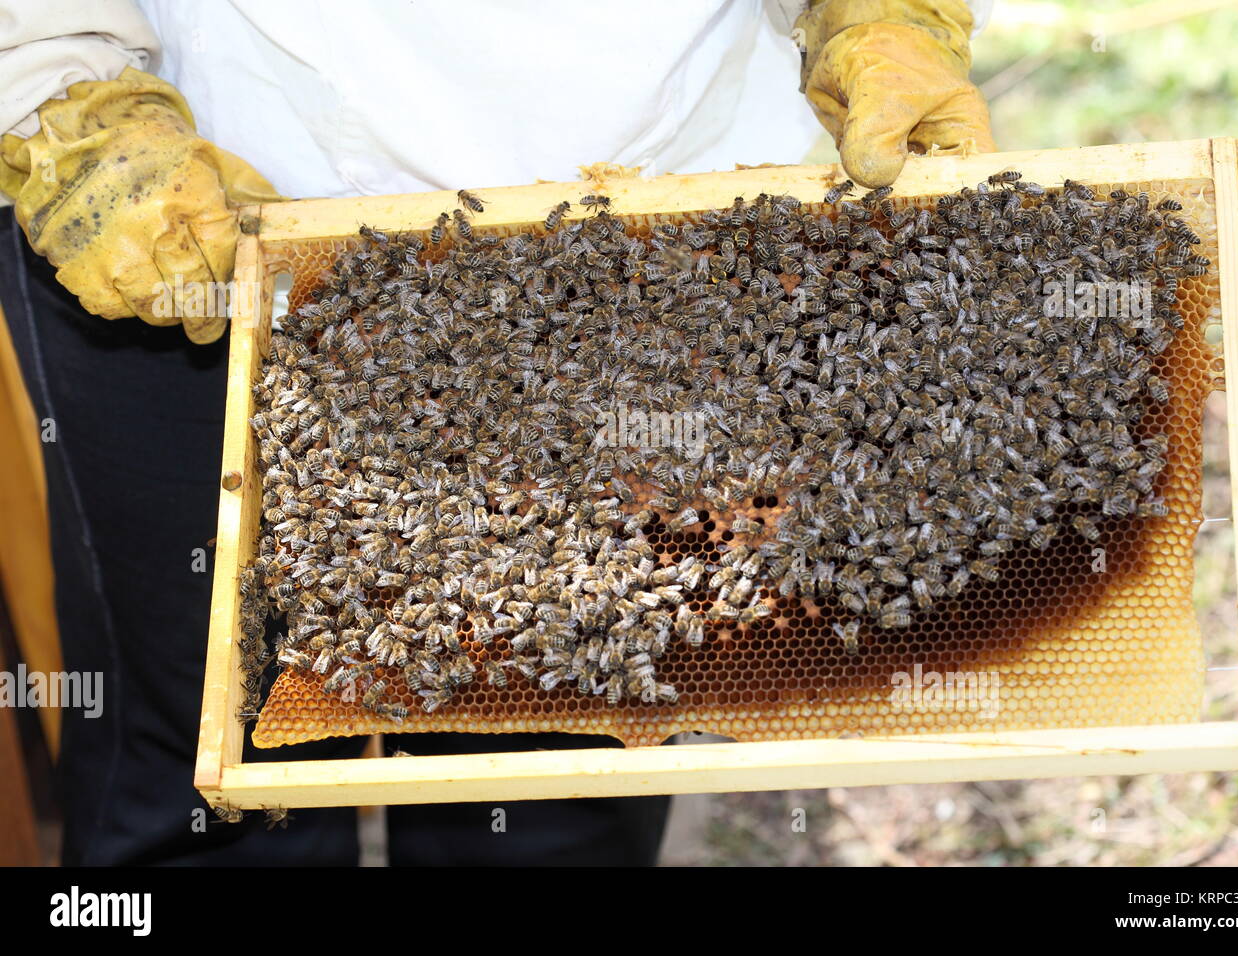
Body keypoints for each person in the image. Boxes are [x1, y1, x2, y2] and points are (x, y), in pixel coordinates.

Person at [0, 0, 994, 865]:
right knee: (204, 788)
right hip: (205, 208)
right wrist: (57, 85)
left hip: (643, 227)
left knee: (554, 773)